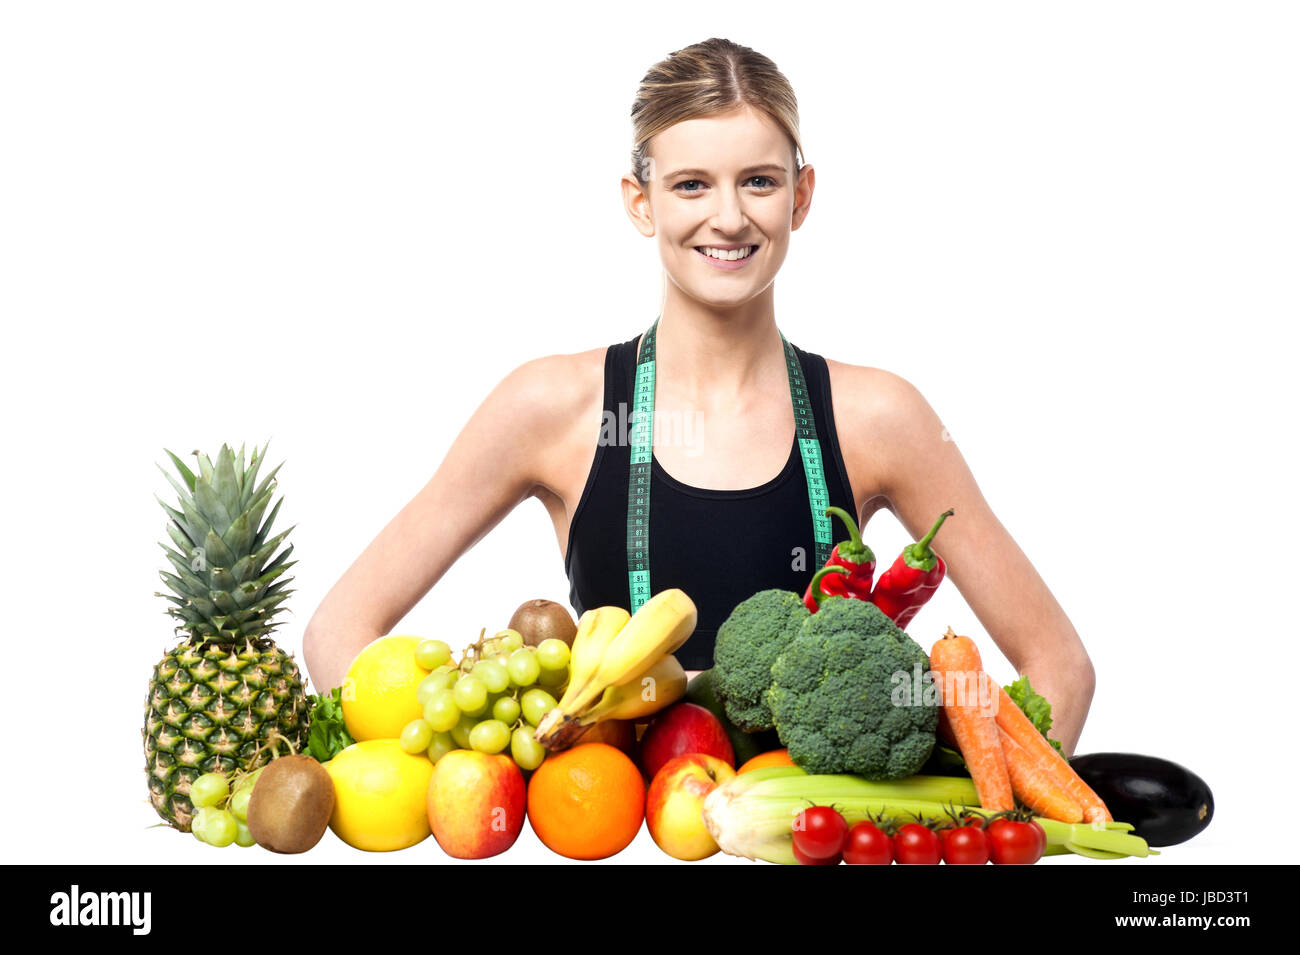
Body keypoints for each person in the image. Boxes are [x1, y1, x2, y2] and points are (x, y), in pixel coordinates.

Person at [303, 37, 1095, 755]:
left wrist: (984, 807)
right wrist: (435, 778)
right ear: (640, 201)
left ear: (802, 196)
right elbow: (340, 632)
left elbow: (1058, 664)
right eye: (690, 184)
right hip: (608, 830)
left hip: (810, 840)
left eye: (758, 181)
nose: (728, 216)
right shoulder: (552, 407)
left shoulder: (879, 417)